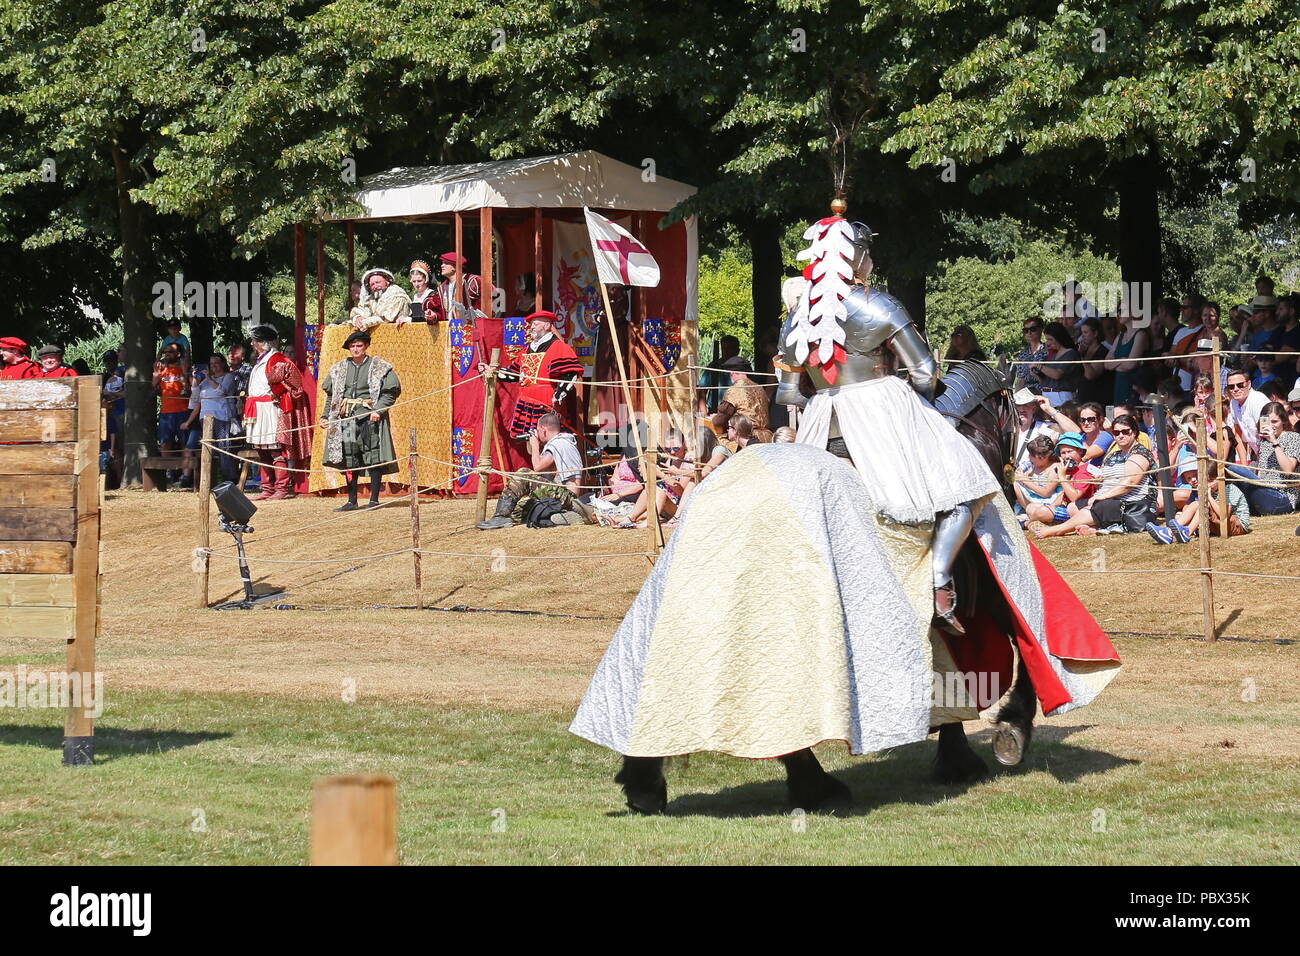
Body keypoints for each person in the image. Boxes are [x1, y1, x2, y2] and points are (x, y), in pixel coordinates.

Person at [1033, 414, 1156, 537]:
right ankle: (1095, 528)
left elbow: (1130, 483)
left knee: (1097, 505)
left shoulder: (1139, 453)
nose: (1120, 435)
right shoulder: (1113, 455)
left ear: (1134, 432)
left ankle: (1058, 530)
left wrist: (1102, 496)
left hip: (1130, 504)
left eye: (1125, 431)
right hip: (1110, 501)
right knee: (1073, 507)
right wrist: (1099, 482)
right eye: (1116, 433)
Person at [320, 330, 402, 511]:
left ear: (366, 346)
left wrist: (378, 410)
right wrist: (325, 416)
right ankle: (352, 500)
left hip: (369, 417)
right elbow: (332, 396)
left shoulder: (379, 367)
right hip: (346, 418)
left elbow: (390, 392)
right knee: (349, 458)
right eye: (352, 346)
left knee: (373, 456)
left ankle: (373, 499)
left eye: (359, 345)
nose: (356, 349)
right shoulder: (339, 368)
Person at [476, 412, 591, 529]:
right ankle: (509, 519)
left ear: (543, 429)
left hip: (568, 497)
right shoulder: (563, 442)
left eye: (537, 429)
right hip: (562, 496)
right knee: (518, 509)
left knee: (523, 474)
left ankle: (500, 517)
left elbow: (537, 467)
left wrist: (535, 444)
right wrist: (531, 444)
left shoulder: (558, 443)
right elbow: (542, 470)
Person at [484, 310, 583, 440]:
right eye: (531, 324)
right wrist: (494, 372)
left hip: (546, 398)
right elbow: (515, 373)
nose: (531, 327)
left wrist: (559, 393)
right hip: (526, 399)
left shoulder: (559, 347)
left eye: (535, 324)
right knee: (531, 440)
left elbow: (570, 373)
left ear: (546, 326)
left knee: (550, 439)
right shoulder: (527, 349)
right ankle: (535, 461)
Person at [243, 325, 312, 501]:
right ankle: (267, 488)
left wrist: (277, 393)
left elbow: (291, 381)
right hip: (257, 408)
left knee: (274, 449)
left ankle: (281, 488)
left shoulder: (276, 359)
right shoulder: (262, 360)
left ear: (263, 342)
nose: (252, 344)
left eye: (255, 341)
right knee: (262, 450)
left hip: (269, 409)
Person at [1146, 456, 1250, 543]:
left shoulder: (1229, 489)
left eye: (1210, 481)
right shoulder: (1211, 490)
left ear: (1219, 478)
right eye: (1205, 481)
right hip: (1220, 524)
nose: (1207, 484)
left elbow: (1224, 515)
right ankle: (1168, 532)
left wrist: (1208, 497)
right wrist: (1182, 516)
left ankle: (1186, 532)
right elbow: (1191, 506)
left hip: (1237, 525)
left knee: (1204, 504)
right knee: (1198, 504)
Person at [1225, 401, 1300, 516]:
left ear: (1284, 421)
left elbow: (1288, 470)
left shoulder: (1293, 437)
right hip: (1264, 492)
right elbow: (1261, 474)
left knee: (1234, 469)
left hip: (1283, 497)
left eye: (1275, 422)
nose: (1271, 426)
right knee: (1234, 476)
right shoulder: (1264, 443)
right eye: (1267, 422)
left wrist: (1275, 443)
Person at [183, 355, 239, 483]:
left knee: (223, 447)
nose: (214, 365)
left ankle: (228, 478)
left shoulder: (228, 377)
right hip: (205, 418)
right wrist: (195, 380)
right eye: (211, 363)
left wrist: (208, 377)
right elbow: (196, 396)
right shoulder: (205, 381)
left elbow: (221, 391)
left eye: (216, 363)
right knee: (210, 447)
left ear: (223, 363)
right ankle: (212, 478)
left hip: (221, 416)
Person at [154, 342, 190, 482]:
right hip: (165, 412)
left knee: (184, 442)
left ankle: (184, 473)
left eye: (170, 351)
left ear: (178, 354)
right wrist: (156, 376)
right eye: (166, 351)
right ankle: (168, 471)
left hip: (182, 411)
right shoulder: (161, 370)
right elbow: (154, 387)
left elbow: (189, 390)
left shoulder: (183, 369)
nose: (167, 354)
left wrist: (185, 376)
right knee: (165, 442)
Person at [714, 356, 772, 442]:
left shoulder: (734, 390)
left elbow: (720, 420)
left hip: (747, 438)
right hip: (767, 437)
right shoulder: (760, 388)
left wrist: (714, 418)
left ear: (732, 372)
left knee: (717, 441)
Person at [1102, 308, 1149, 405]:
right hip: (1119, 384)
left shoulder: (1141, 334)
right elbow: (1106, 364)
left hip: (1133, 386)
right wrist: (1123, 360)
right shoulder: (1120, 336)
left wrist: (1116, 363)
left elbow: (1131, 364)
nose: (1118, 314)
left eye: (1122, 310)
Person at [1014, 435, 1064, 525]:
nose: (1029, 457)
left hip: (1049, 501)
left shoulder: (1054, 467)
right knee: (1015, 482)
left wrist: (1025, 480)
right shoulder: (1034, 465)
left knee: (1035, 509)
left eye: (1032, 456)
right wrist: (1020, 475)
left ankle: (1032, 516)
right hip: (1033, 499)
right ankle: (1028, 512)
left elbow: (1046, 493)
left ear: (1044, 457)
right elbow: (1024, 474)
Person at [1028, 321, 1081, 406]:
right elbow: (1046, 382)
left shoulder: (1070, 354)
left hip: (1061, 396)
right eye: (1047, 340)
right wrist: (1036, 375)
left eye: (1050, 339)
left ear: (1059, 338)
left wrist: (1039, 366)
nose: (1048, 343)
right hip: (1047, 395)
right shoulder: (1053, 356)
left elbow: (1057, 375)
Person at [1224, 368, 1270, 464]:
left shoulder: (1258, 401)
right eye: (1231, 387)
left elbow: (1266, 433)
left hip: (1273, 453)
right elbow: (1238, 433)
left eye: (1240, 385)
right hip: (1258, 455)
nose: (1235, 389)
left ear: (1249, 384)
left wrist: (1262, 466)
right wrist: (1245, 465)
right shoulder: (1233, 403)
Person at [345, 268, 411, 329]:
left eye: (378, 282)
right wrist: (357, 318)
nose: (375, 286)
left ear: (387, 282)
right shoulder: (372, 298)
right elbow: (363, 310)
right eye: (372, 284)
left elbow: (387, 318)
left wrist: (364, 323)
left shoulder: (397, 294)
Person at [434, 252, 483, 323]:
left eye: (446, 263)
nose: (442, 266)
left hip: (473, 329)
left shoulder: (473, 281)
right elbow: (441, 313)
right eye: (442, 263)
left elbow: (493, 297)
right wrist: (434, 316)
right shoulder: (442, 288)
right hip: (451, 330)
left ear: (455, 266)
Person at [1075, 317, 1113, 406]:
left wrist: (1081, 357)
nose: (1082, 336)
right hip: (1083, 398)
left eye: (1085, 332)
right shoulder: (1084, 350)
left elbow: (1090, 375)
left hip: (1098, 400)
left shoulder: (1102, 351)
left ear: (1095, 333)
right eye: (1082, 333)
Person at [697, 334, 740, 413]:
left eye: (730, 348)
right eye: (725, 348)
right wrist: (705, 414)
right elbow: (701, 391)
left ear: (737, 350)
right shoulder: (713, 366)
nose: (727, 352)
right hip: (715, 411)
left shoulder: (743, 367)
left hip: (738, 413)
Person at [1013, 317, 1049, 388]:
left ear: (1041, 329)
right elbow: (1021, 379)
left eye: (1033, 329)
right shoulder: (1022, 354)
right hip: (1026, 393)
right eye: (1026, 330)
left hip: (1044, 391)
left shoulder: (1048, 351)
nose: (1029, 333)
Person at [406, 259, 440, 324]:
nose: (416, 284)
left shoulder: (433, 296)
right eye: (414, 281)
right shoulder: (413, 297)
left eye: (419, 281)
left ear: (426, 280)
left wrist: (408, 319)